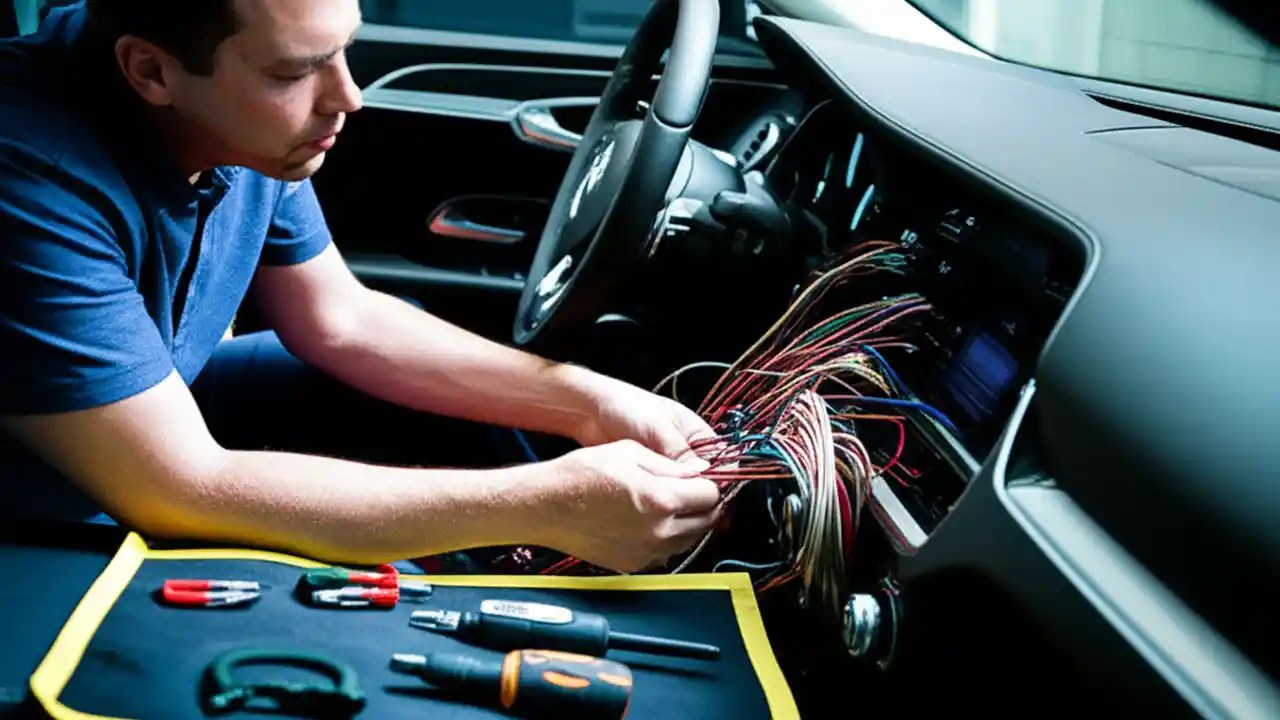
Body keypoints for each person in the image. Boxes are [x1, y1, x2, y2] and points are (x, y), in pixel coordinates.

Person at [0, 0, 723, 573]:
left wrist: (592, 402)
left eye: (344, 47)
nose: (347, 97)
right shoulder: (24, 177)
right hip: (45, 517)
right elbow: (179, 485)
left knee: (445, 406)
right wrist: (544, 506)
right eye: (294, 73)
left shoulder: (232, 122)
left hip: (150, 429)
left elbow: (339, 318)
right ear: (151, 73)